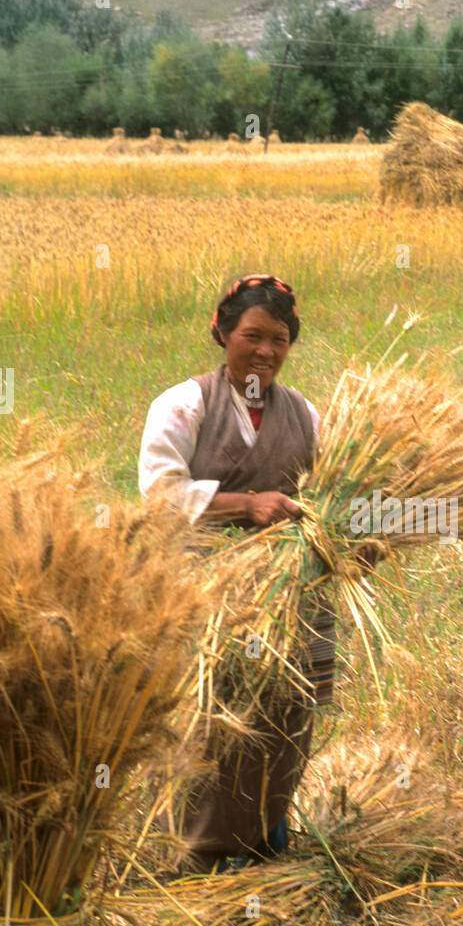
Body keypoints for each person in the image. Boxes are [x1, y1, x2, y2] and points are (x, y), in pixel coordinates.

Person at [138, 273, 330, 872]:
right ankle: (189, 857)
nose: (265, 351)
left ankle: (261, 842)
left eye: (279, 339)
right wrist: (246, 505)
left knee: (282, 716)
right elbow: (158, 498)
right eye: (252, 335)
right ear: (221, 332)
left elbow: (328, 497)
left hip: (289, 597)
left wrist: (349, 539)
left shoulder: (303, 413)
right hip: (206, 593)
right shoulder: (184, 404)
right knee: (210, 723)